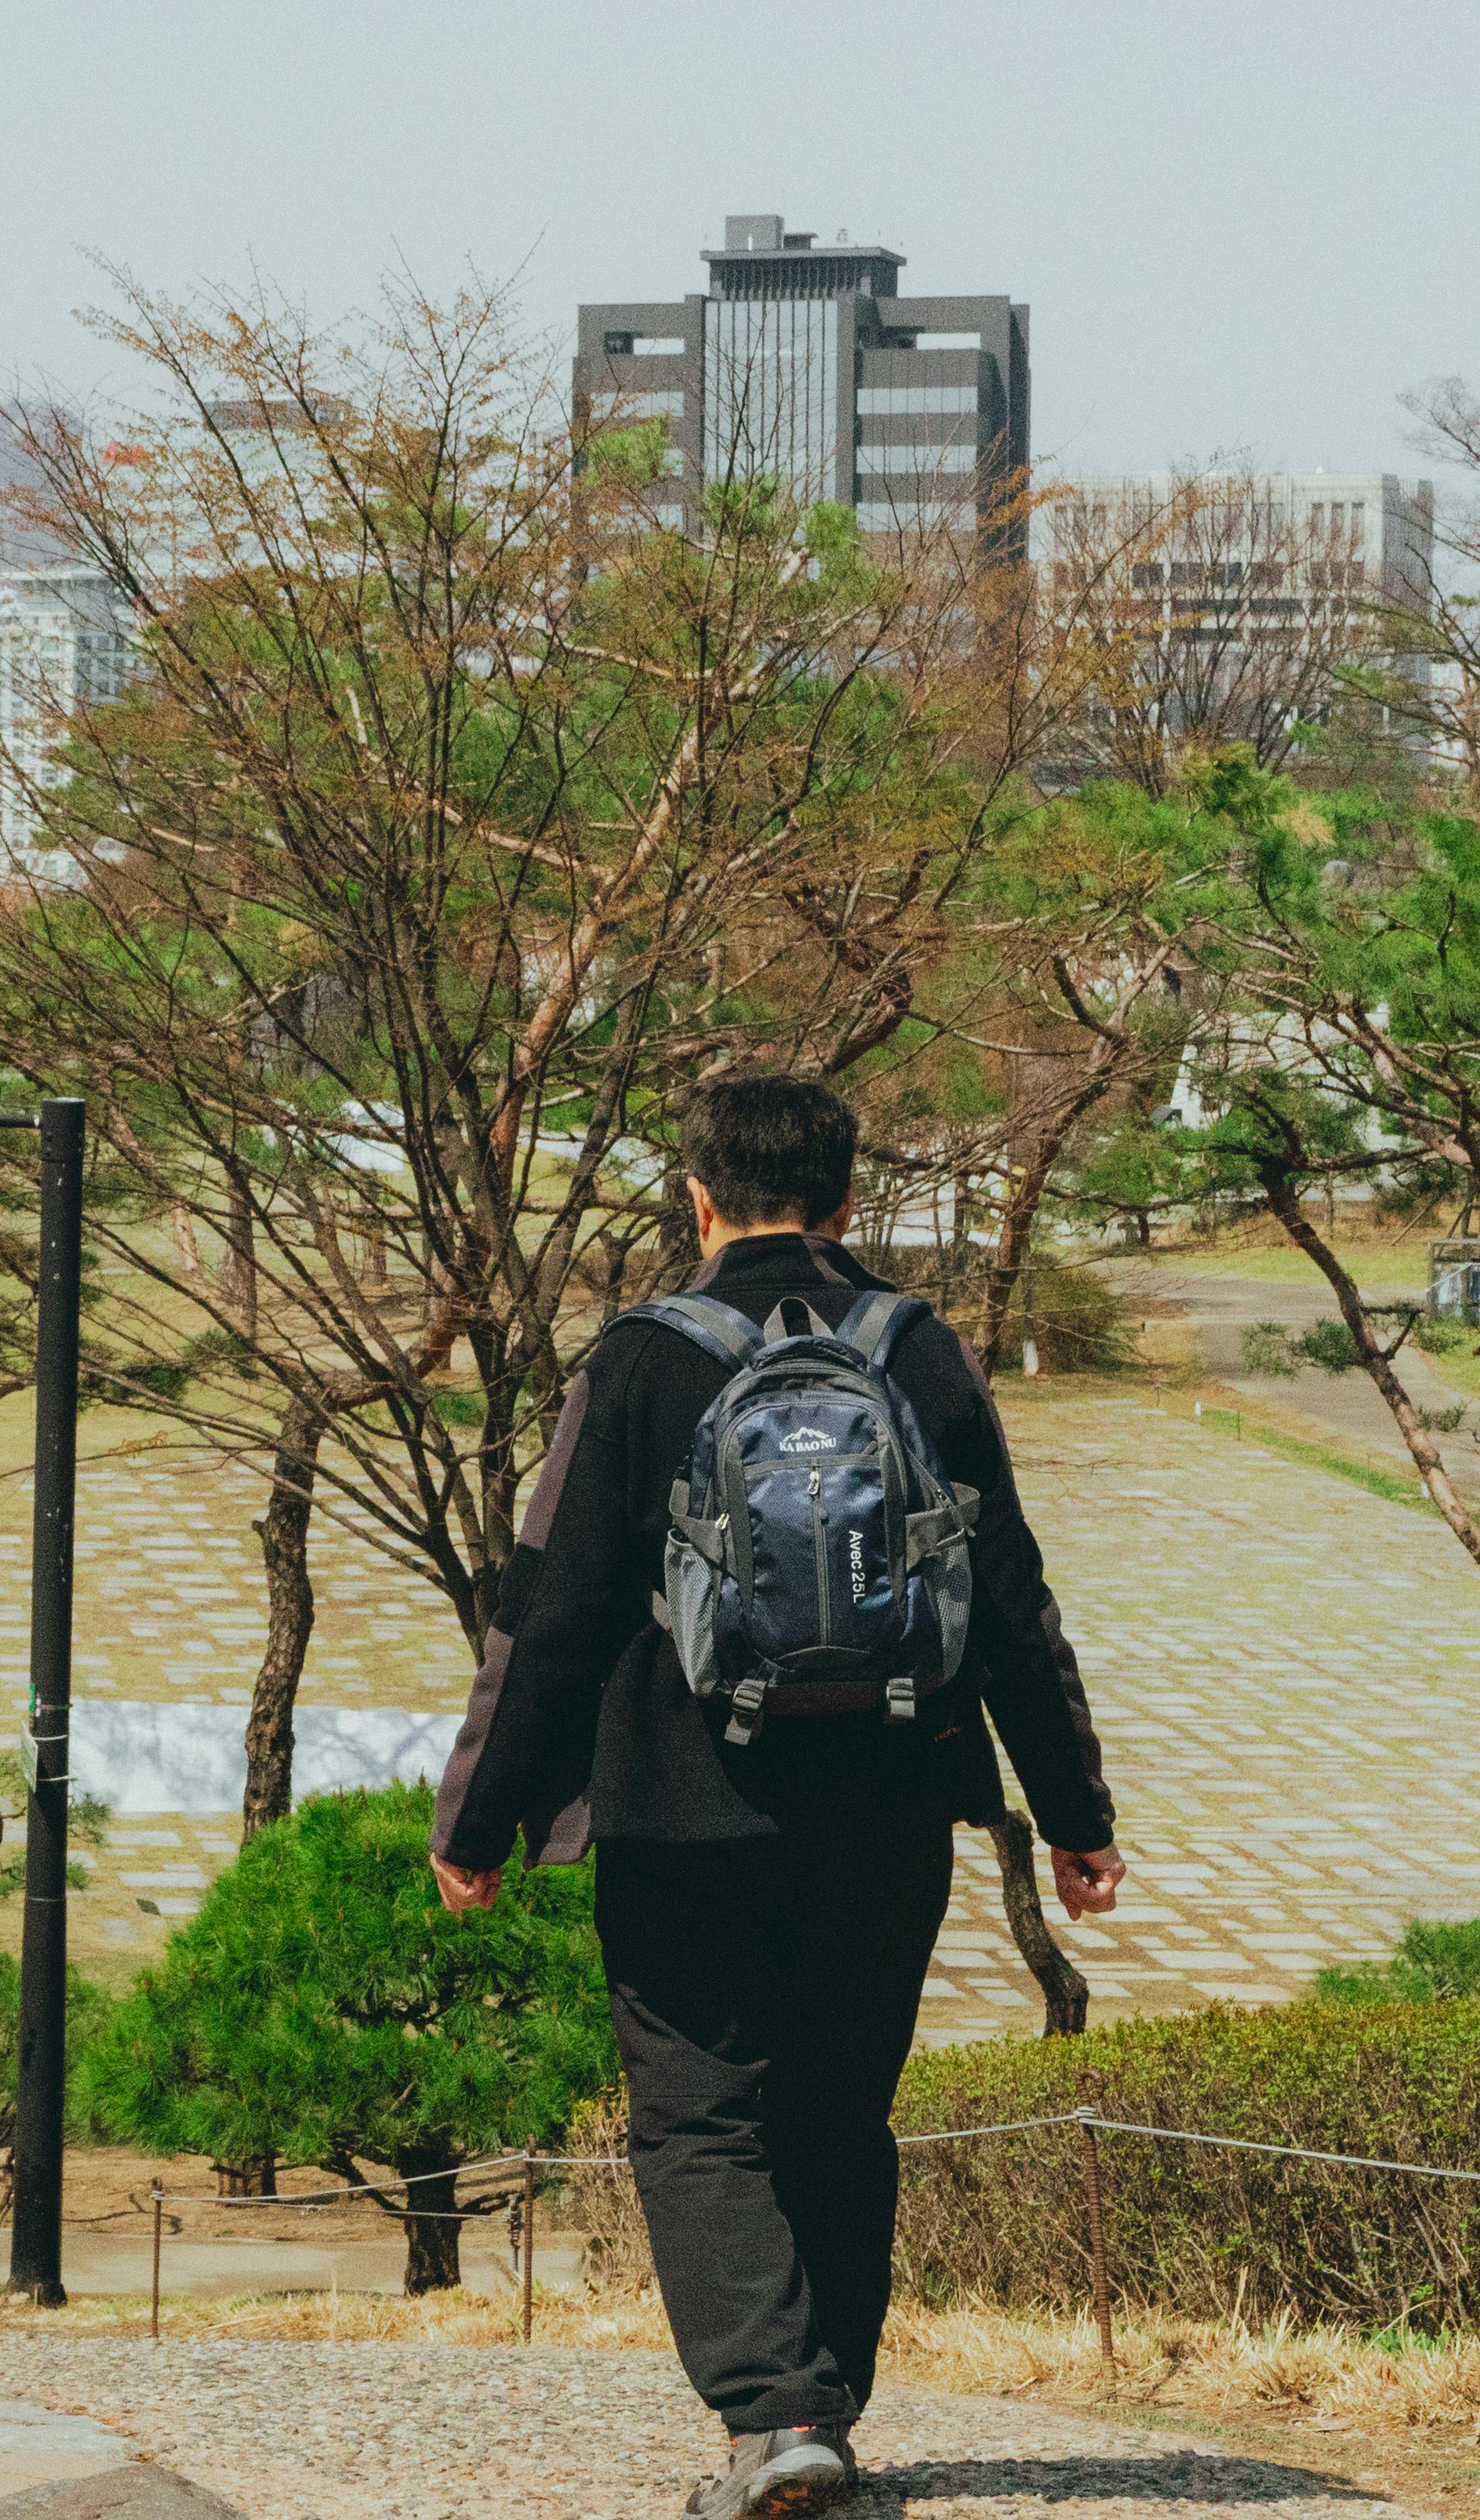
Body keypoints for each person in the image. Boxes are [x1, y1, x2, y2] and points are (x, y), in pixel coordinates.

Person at [432, 1073, 1121, 2520]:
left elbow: (549, 1609)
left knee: (698, 2114)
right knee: (839, 2111)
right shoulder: (920, 1353)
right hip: (890, 1802)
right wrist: (1073, 1814)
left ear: (695, 1198)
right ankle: (824, 2417)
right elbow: (1011, 1602)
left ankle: (773, 2416)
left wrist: (482, 1819)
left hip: (681, 1805)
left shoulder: (639, 1359)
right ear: (848, 1200)